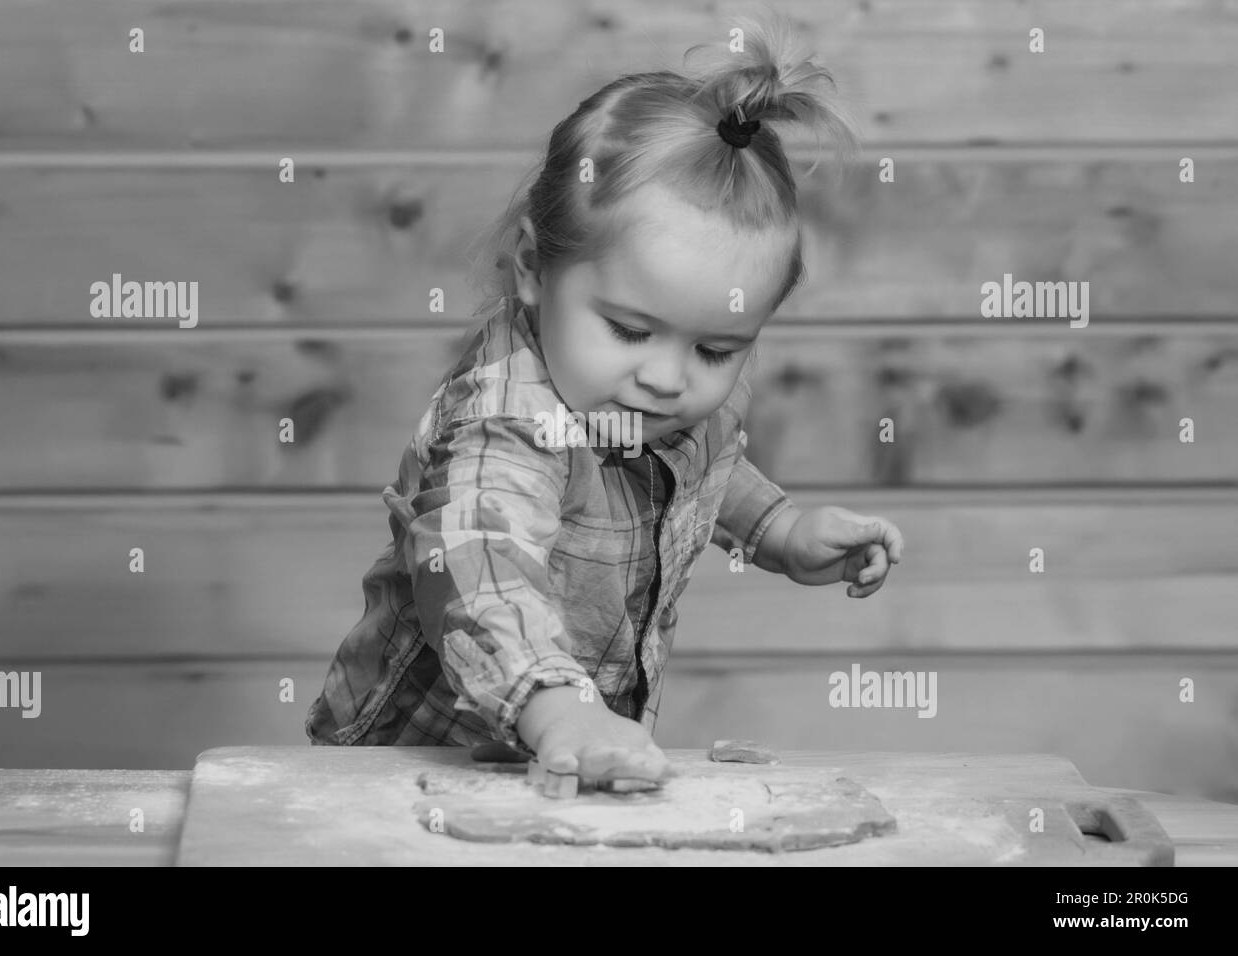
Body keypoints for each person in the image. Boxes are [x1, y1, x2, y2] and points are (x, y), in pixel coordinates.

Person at [306, 12, 905, 788]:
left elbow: (691, 456)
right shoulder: (506, 421)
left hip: (565, 752)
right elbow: (479, 560)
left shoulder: (646, 397)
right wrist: (560, 707)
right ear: (532, 266)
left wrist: (780, 531)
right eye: (629, 330)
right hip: (415, 764)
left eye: (716, 350)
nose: (668, 379)